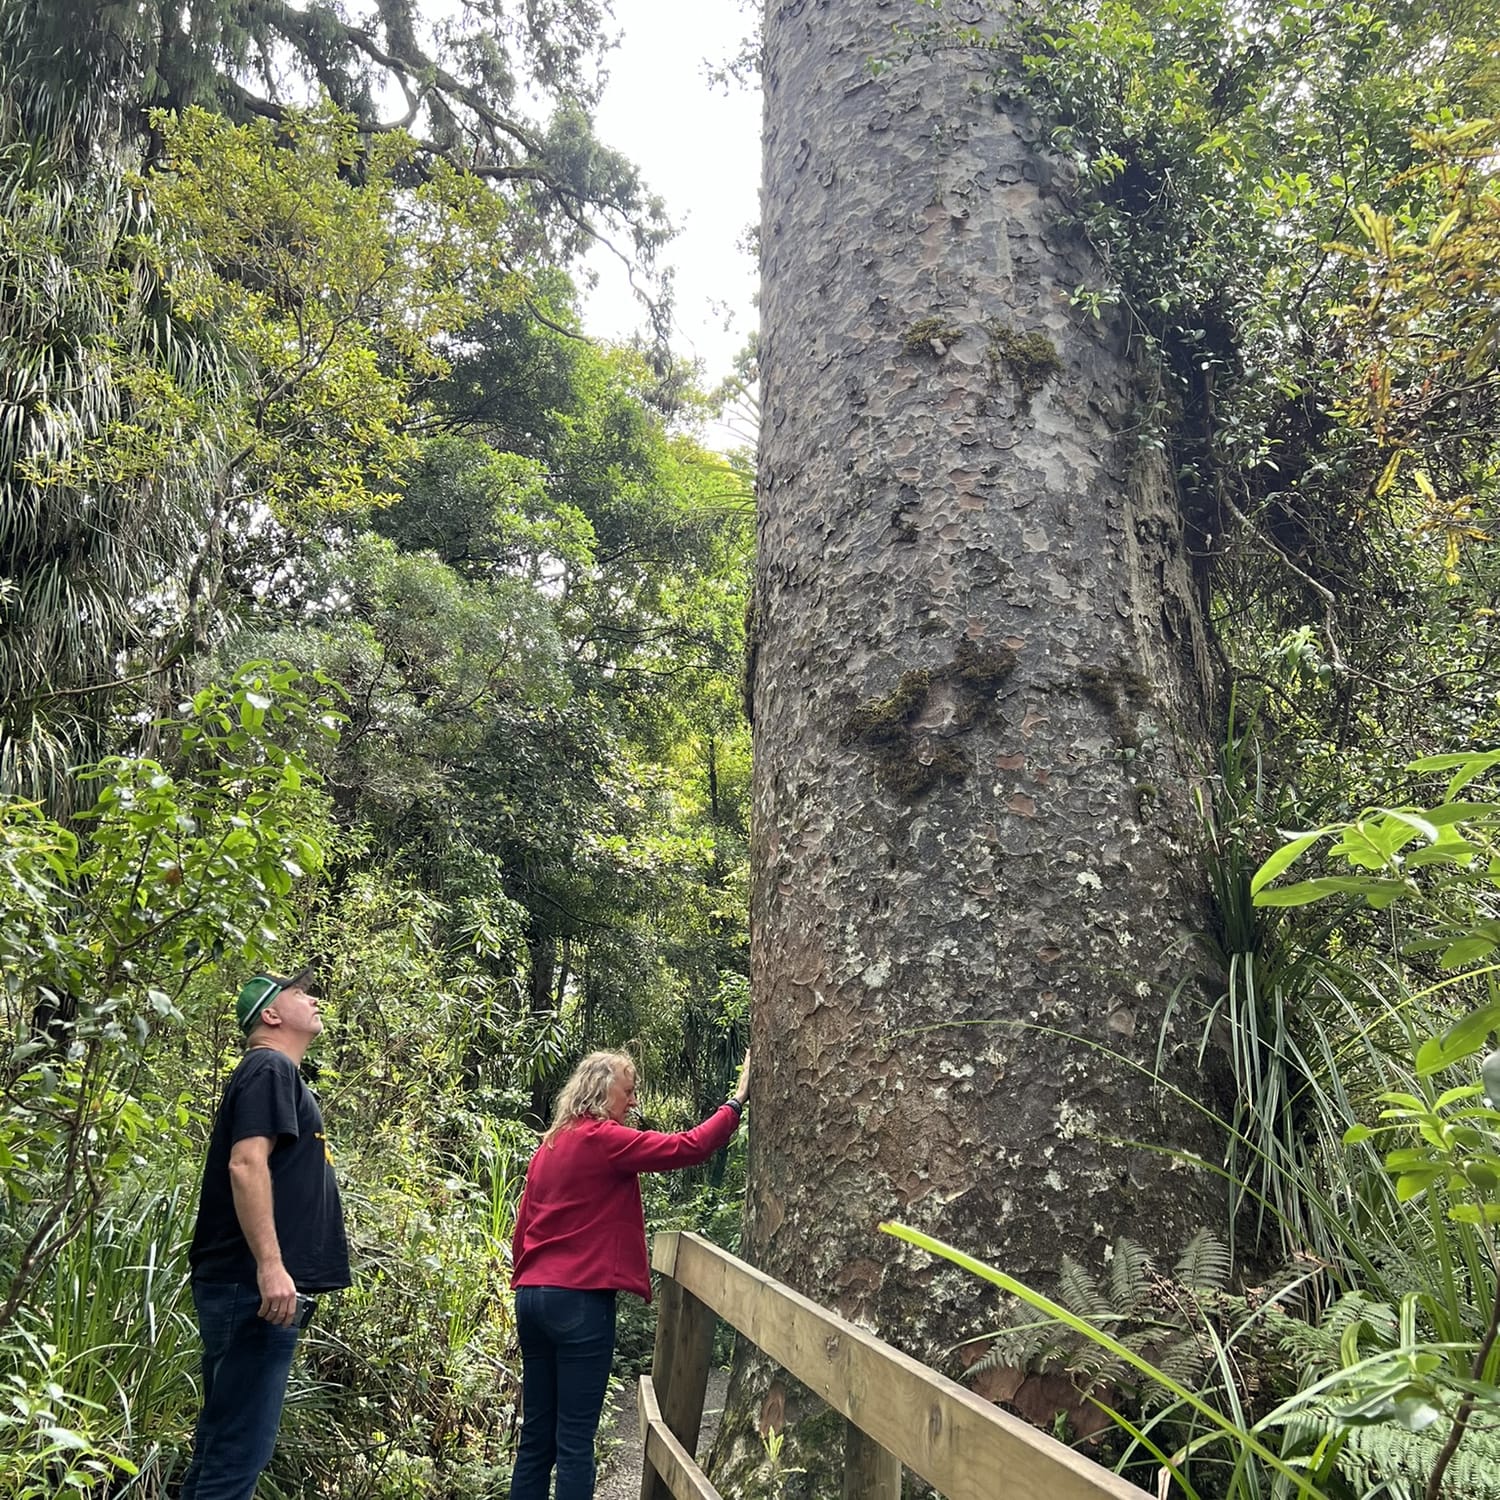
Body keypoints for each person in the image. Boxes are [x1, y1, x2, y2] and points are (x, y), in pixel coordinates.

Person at [508, 1049, 750, 1500]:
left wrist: (527, 1281)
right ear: (601, 1092)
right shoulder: (604, 1139)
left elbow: (524, 1227)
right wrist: (736, 1102)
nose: (634, 1101)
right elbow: (689, 1146)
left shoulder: (552, 1143)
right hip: (578, 1300)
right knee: (576, 1441)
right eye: (629, 1091)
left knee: (537, 1441)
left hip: (532, 1297)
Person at [181, 970, 351, 1500]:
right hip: (252, 1291)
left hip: (246, 1290)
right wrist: (271, 1267)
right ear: (271, 1014)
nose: (314, 998)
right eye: (301, 993)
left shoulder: (275, 1073)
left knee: (221, 1445)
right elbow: (246, 1163)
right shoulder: (270, 1066)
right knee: (237, 1456)